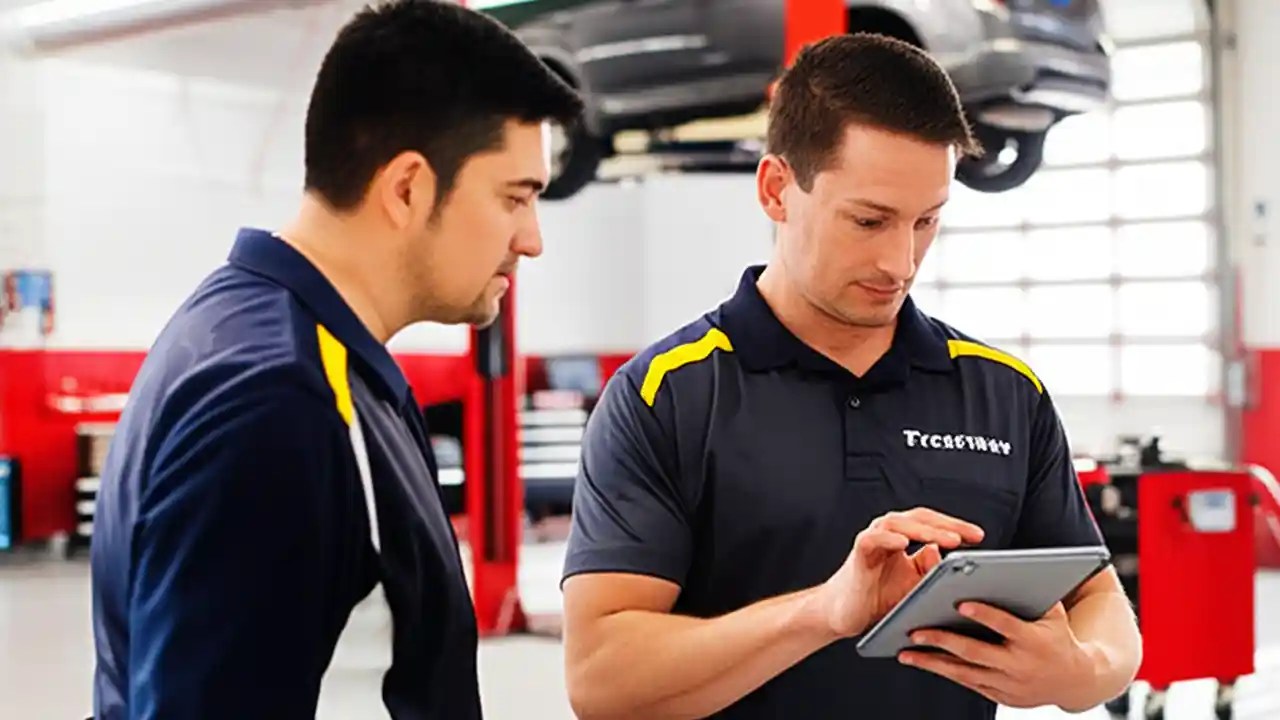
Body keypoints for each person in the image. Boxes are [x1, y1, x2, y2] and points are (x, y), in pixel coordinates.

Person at [561, 33, 1141, 720]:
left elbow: (1100, 601)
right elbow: (601, 680)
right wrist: (822, 612)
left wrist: (1082, 673)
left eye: (927, 221)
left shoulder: (1004, 394)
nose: (900, 261)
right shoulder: (666, 395)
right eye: (869, 220)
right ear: (777, 190)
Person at [88, 2, 582, 718]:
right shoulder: (280, 407)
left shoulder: (285, 349)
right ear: (407, 187)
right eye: (515, 198)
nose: (530, 239)